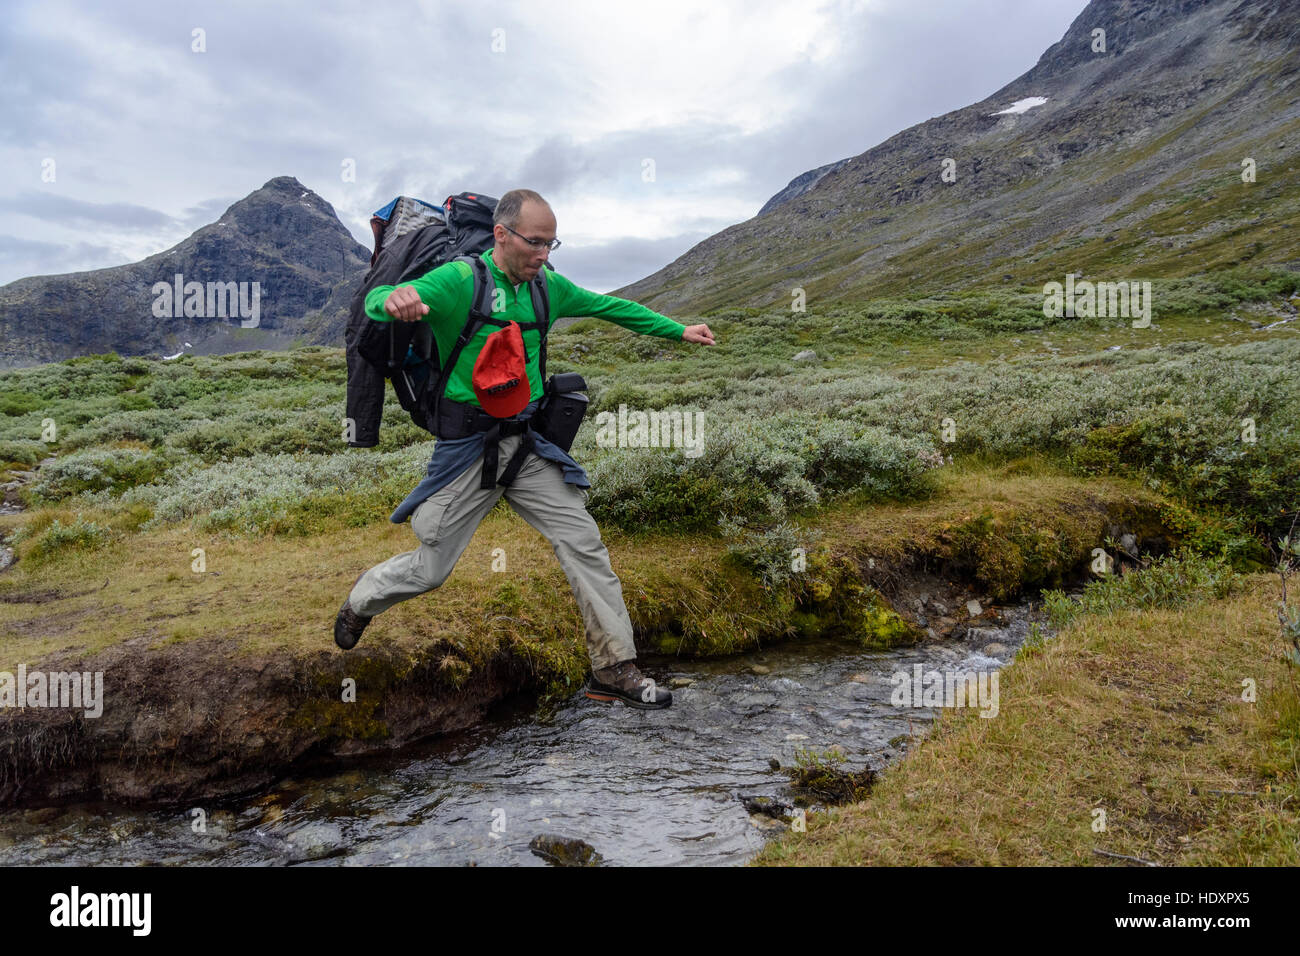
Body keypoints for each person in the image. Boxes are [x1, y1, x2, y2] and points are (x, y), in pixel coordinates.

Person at [334, 188, 716, 709]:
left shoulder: (547, 289)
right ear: (501, 234)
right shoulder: (460, 281)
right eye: (535, 242)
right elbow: (377, 304)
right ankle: (362, 600)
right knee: (431, 568)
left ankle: (615, 668)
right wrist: (394, 300)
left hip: (528, 447)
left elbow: (610, 307)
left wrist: (678, 331)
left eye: (551, 243)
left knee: (584, 545)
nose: (544, 254)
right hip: (468, 450)